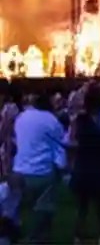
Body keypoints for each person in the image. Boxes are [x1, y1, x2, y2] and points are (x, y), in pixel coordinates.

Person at [5, 92, 65, 243]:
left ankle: (13, 234)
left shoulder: (22, 117)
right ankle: (37, 237)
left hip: (20, 170)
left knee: (17, 208)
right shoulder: (51, 120)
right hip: (42, 171)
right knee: (43, 208)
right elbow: (59, 143)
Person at [68, 83, 100, 244]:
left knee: (82, 208)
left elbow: (72, 142)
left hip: (84, 167)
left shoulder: (79, 120)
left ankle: (78, 238)